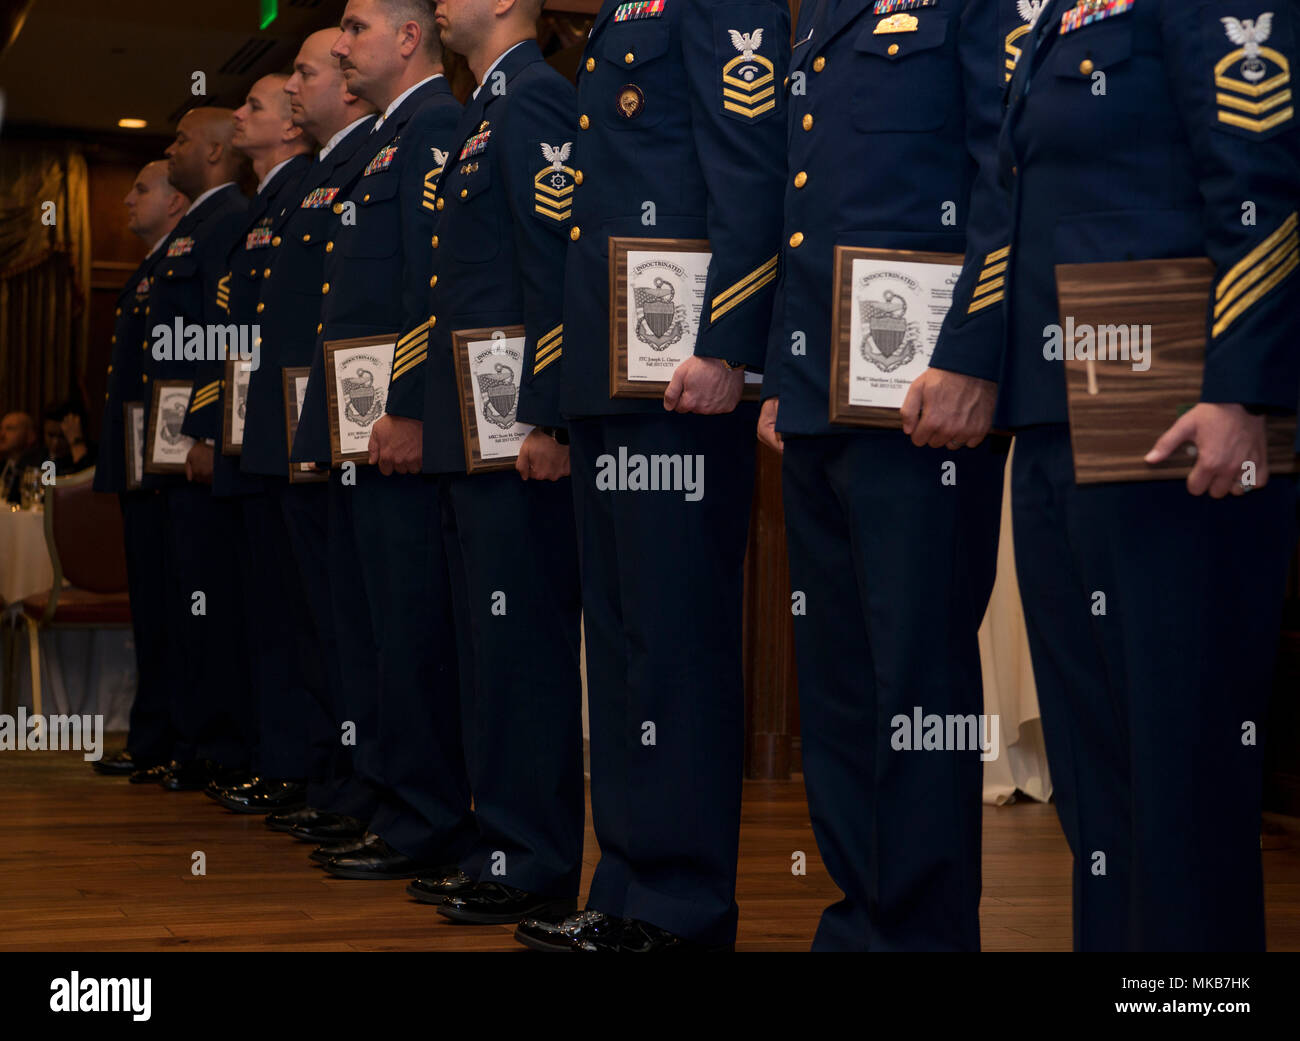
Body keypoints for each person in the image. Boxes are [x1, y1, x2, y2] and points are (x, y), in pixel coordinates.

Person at [967, 0, 1299, 950]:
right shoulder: (1050, 17)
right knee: (1097, 770)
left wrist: (1240, 388)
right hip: (1060, 417)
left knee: (1181, 769)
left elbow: (1260, 172)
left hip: (1176, 418)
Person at [515, 0, 790, 953]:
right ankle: (625, 886)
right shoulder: (618, 15)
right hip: (612, 371)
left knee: (676, 644)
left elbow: (747, 168)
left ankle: (682, 905)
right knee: (627, 647)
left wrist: (730, 345)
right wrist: (561, 392)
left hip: (678, 376)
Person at [752, 0, 1010, 951]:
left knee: (920, 683)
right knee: (842, 687)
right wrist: (785, 372)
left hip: (928, 395)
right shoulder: (819, 15)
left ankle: (926, 934)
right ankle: (863, 921)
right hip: (823, 397)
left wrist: (975, 353)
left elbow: (1000, 171)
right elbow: (801, 199)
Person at [369, 0, 584, 926]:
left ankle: (531, 856)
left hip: (514, 429)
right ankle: (499, 842)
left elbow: (549, 263)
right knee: (485, 651)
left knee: (520, 653)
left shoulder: (533, 100)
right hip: (475, 423)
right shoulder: (485, 110)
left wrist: (546, 413)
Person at [291, 0, 471, 880]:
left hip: (398, 422)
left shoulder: (436, 126)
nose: (342, 43)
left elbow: (432, 282)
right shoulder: (390, 139)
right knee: (374, 623)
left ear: (408, 40)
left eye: (357, 26)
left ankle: (423, 813)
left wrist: (408, 403)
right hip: (364, 419)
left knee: (409, 629)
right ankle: (384, 795)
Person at [236, 30, 379, 841]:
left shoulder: (372, 156)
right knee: (314, 617)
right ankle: (327, 773)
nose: (293, 86)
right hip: (305, 418)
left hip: (347, 420)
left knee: (348, 621)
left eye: (304, 70)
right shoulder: (317, 179)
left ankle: (352, 780)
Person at [180, 74, 316, 816]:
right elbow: (230, 332)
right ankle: (279, 758)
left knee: (293, 612)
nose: (241, 113)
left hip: (289, 429)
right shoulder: (263, 204)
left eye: (255, 106)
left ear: (292, 128)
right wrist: (212, 422)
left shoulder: (304, 192)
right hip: (255, 426)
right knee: (267, 607)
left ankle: (297, 764)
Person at [130, 107, 251, 791]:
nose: (169, 147)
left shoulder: (226, 216)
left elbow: (219, 333)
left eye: (179, 138)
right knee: (183, 599)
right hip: (173, 437)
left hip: (200, 438)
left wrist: (204, 426)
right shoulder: (199, 225)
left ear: (212, 150)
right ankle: (189, 738)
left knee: (208, 600)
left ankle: (213, 744)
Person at [92, 160, 189, 778]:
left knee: (179, 608)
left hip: (170, 457)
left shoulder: (183, 258)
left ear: (177, 201)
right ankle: (155, 734)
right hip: (144, 456)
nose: (128, 200)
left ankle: (174, 737)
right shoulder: (155, 265)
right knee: (154, 608)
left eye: (141, 188)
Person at [41, 402, 96, 474]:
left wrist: (76, 443)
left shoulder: (93, 456)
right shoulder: (31, 459)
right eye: (51, 435)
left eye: (62, 436)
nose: (55, 443)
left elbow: (88, 480)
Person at [0, 412, 41, 504]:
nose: (2, 435)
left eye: (10, 429)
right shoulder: (3, 465)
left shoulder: (38, 467)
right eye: (1, 428)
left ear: (30, 435)